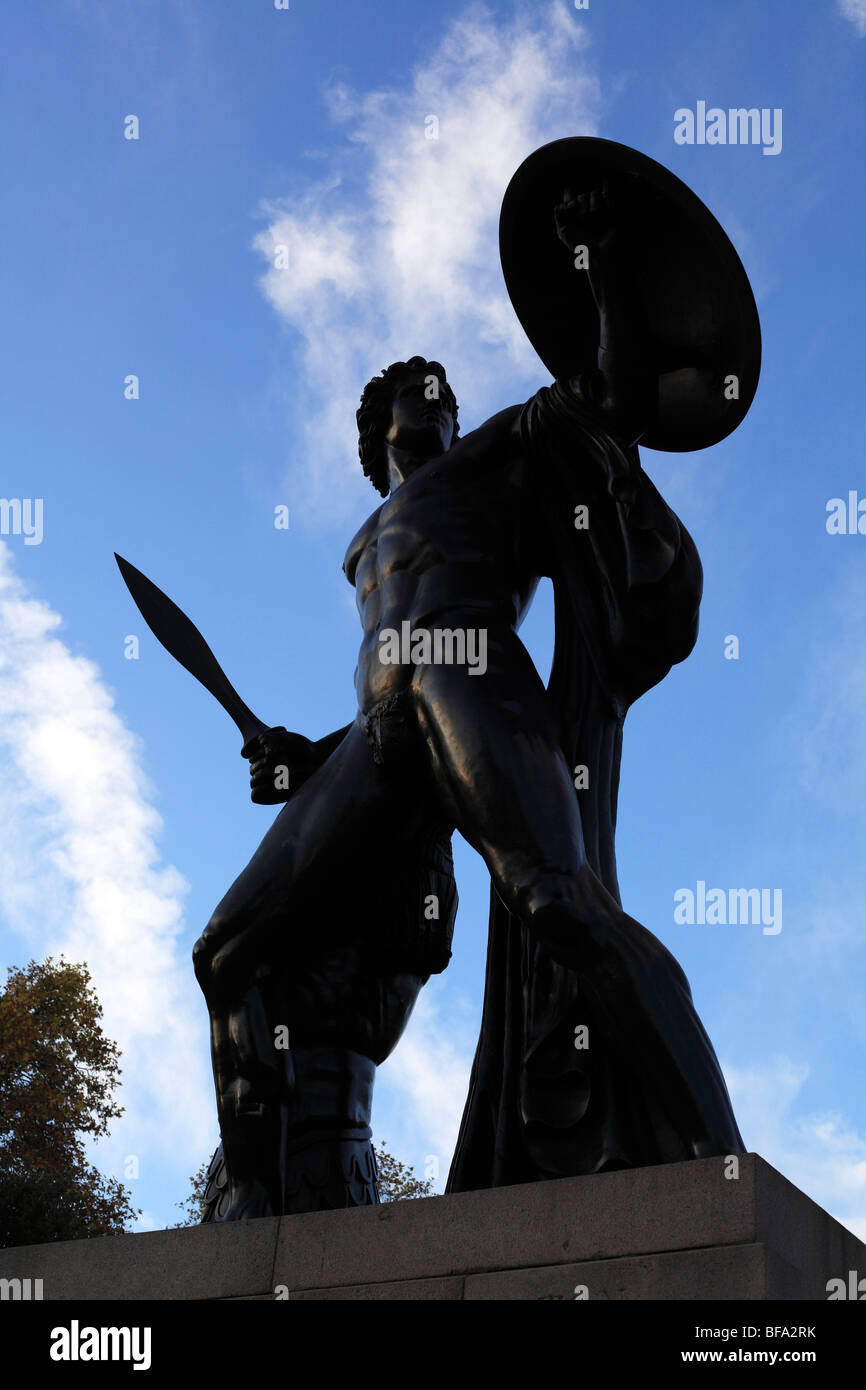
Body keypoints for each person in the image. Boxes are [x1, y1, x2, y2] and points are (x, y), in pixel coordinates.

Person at [193, 188, 743, 1218]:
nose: (440, 397)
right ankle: (260, 1214)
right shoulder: (364, 540)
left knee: (557, 900)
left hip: (468, 676)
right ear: (381, 427)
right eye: (420, 389)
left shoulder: (497, 456)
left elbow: (605, 392)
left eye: (444, 390)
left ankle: (715, 1151)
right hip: (378, 732)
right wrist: (296, 758)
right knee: (226, 952)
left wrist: (596, 261)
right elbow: (376, 662)